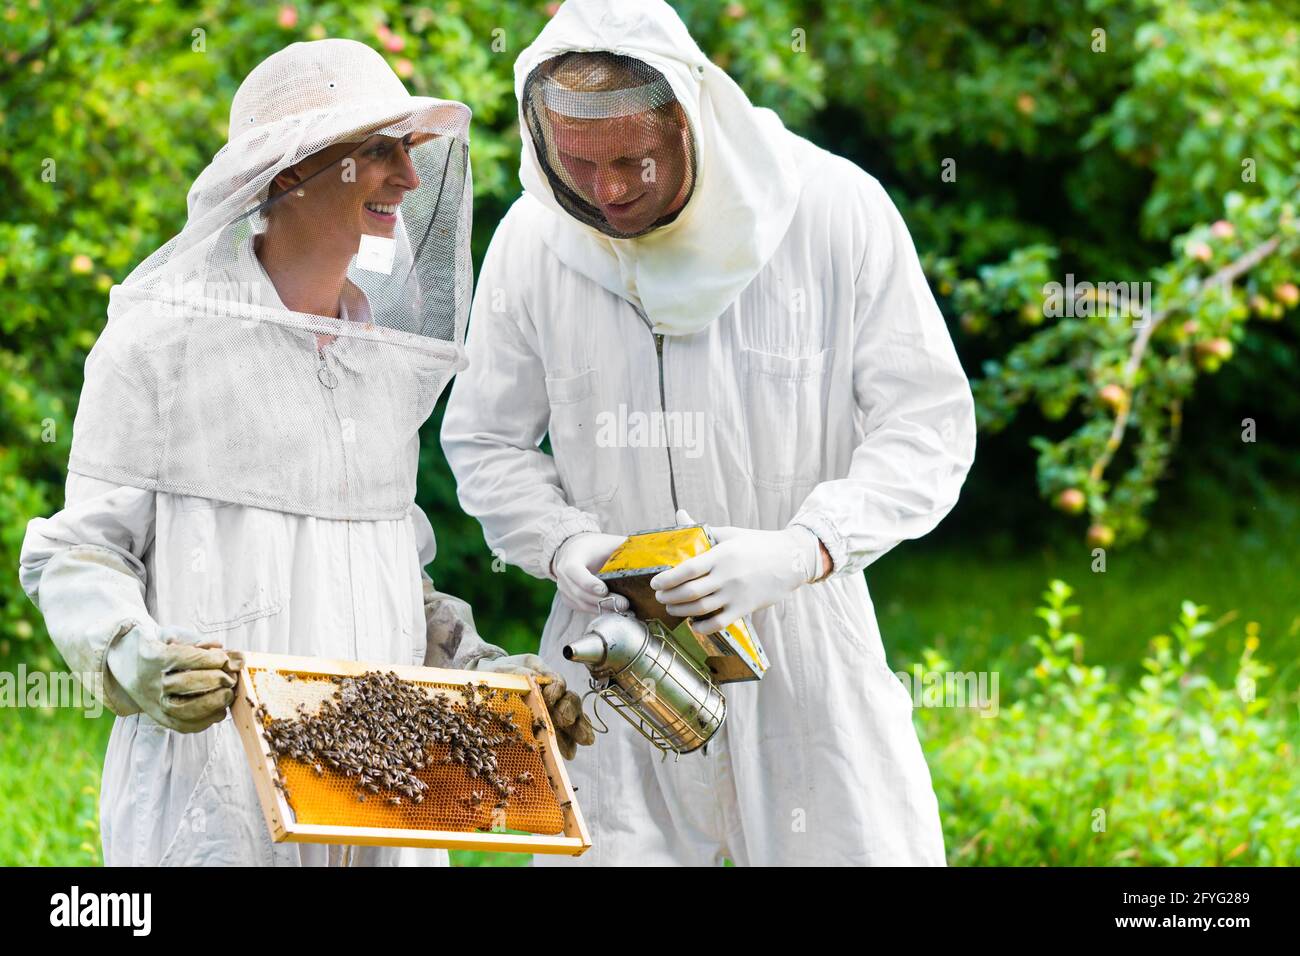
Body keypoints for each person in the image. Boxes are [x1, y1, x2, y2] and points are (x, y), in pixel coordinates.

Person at [19, 38, 591, 868]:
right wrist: (129, 652)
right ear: (284, 173)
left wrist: (485, 676)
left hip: (387, 812)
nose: (407, 176)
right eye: (376, 151)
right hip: (215, 801)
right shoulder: (158, 345)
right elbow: (80, 553)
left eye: (410, 149)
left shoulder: (377, 354)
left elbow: (386, 576)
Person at [440, 0, 977, 866]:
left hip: (800, 640)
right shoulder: (533, 244)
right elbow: (486, 440)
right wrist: (562, 541)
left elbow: (928, 425)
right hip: (609, 647)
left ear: (690, 120)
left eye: (633, 162)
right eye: (578, 164)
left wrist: (805, 549)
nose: (607, 192)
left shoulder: (832, 210)